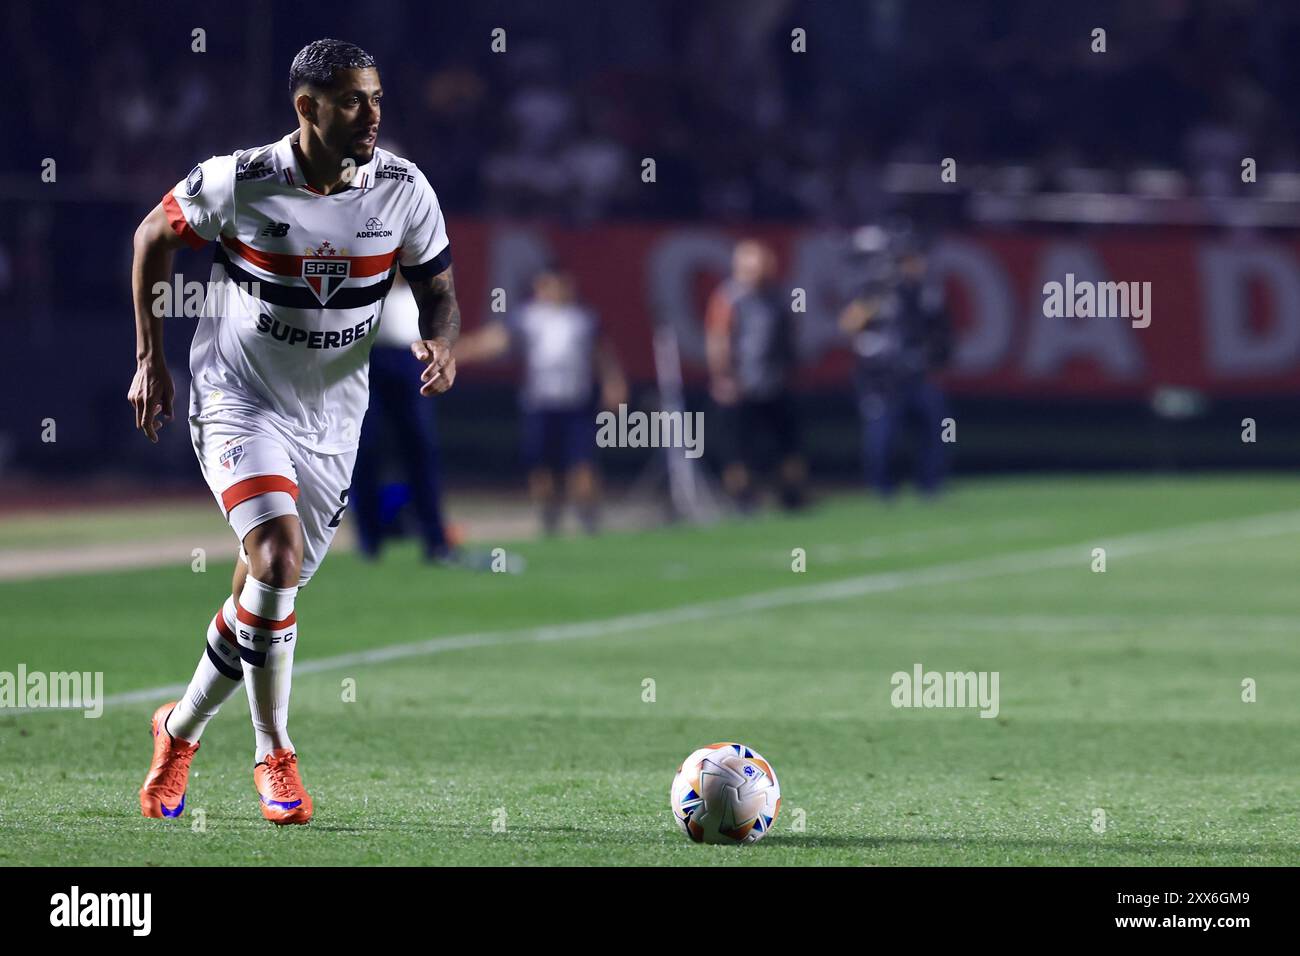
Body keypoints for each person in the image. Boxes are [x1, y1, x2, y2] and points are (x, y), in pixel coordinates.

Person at [127, 39, 461, 825]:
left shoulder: (405, 190)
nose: (372, 114)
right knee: (273, 556)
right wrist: (151, 359)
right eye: (353, 101)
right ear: (306, 108)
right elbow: (151, 236)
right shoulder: (240, 181)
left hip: (332, 422)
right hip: (236, 398)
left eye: (377, 98)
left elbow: (439, 288)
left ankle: (177, 731)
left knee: (263, 593)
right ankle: (273, 750)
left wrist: (444, 339)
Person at [456, 265, 626, 534]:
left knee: (581, 466)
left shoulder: (582, 318)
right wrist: (460, 353)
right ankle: (549, 521)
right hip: (540, 403)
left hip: (575, 403)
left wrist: (614, 383)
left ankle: (589, 521)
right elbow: (496, 340)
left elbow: (602, 354)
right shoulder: (529, 317)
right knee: (542, 468)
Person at [350, 273, 454, 562]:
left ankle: (435, 539)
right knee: (364, 449)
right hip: (366, 356)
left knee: (420, 449)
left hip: (410, 358)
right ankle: (369, 540)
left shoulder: (419, 268)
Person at [839, 230, 952, 497]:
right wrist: (874, 302)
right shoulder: (875, 287)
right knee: (882, 434)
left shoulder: (921, 292)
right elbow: (848, 324)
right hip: (879, 376)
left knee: (938, 424)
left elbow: (937, 333)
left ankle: (930, 484)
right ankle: (882, 488)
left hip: (913, 373)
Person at [705, 239, 807, 511]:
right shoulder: (728, 297)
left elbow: (791, 334)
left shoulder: (780, 296)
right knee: (736, 449)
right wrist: (724, 377)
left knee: (787, 444)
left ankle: (791, 496)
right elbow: (718, 339)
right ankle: (741, 500)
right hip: (740, 385)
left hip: (774, 382)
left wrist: (790, 369)